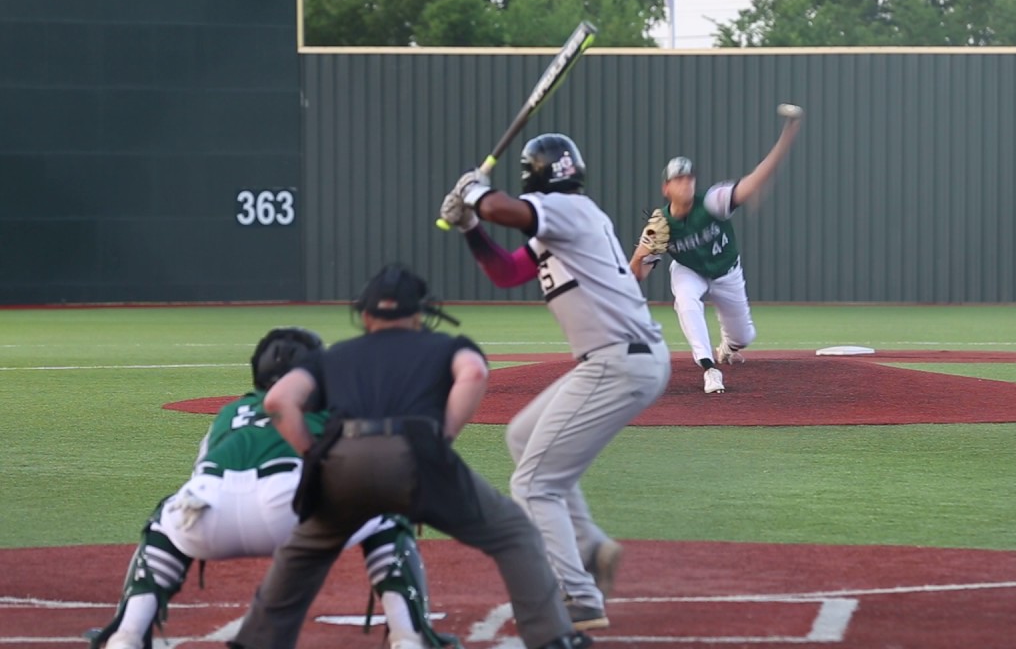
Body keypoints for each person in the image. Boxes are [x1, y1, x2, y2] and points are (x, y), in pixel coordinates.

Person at [230, 264, 588, 649]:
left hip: (344, 459)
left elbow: (278, 400)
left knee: (302, 553)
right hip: (418, 455)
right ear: (420, 313)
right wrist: (444, 434)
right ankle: (552, 639)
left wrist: (315, 453)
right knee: (514, 534)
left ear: (365, 313)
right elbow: (474, 374)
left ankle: (254, 642)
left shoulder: (335, 356)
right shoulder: (448, 346)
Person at [88, 327, 455, 649]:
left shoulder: (230, 412)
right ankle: (409, 637)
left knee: (165, 523)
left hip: (207, 512)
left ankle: (126, 636)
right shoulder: (337, 406)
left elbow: (202, 466)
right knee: (386, 512)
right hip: (290, 510)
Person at [439, 133, 672, 631]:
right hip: (615, 360)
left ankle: (580, 596)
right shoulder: (566, 220)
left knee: (533, 484)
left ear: (533, 176)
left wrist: (476, 193)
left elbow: (507, 210)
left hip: (620, 360)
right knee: (522, 437)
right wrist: (471, 227)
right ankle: (590, 548)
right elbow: (505, 272)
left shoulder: (566, 209)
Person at [628, 106, 804, 393]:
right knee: (685, 300)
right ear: (666, 187)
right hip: (689, 270)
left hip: (726, 272)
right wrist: (639, 253)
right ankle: (709, 368)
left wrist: (786, 137)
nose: (685, 182)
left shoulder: (713, 201)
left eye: (689, 177)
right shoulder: (660, 225)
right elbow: (634, 278)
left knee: (744, 336)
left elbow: (756, 179)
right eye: (678, 178)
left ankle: (728, 347)